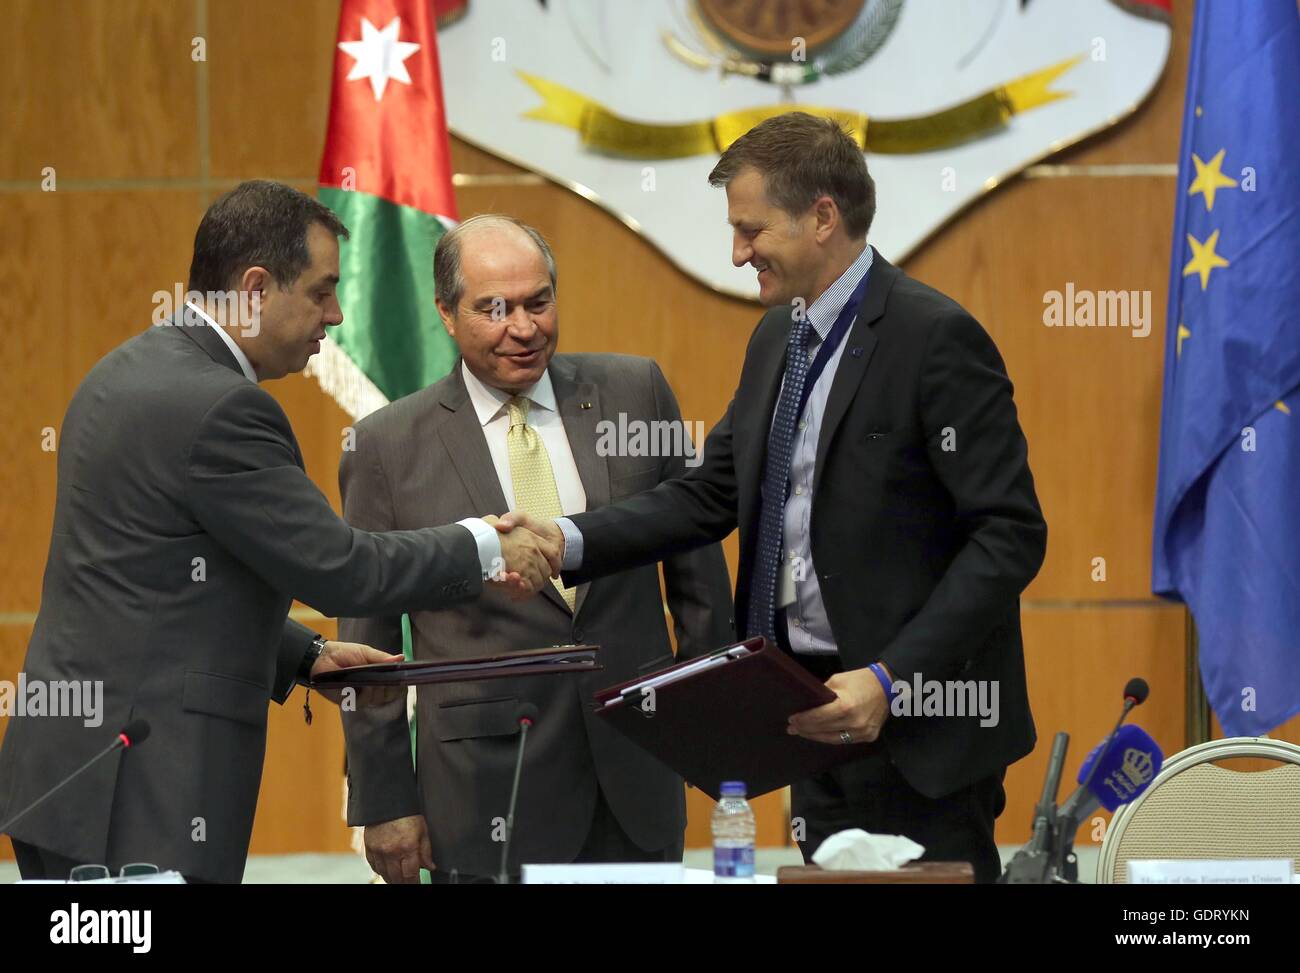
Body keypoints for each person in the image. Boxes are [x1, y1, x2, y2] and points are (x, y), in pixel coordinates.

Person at [500, 114, 1047, 883]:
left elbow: (1010, 536)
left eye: (751, 229)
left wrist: (891, 678)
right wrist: (568, 539)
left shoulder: (936, 337)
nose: (737, 253)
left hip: (921, 737)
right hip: (807, 724)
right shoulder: (777, 339)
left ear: (822, 216)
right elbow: (709, 493)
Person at [0, 181, 559, 884]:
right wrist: (485, 543)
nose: (336, 313)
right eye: (322, 290)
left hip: (70, 778)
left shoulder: (124, 372)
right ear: (257, 286)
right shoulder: (222, 407)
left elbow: (151, 579)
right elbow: (340, 566)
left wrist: (305, 654)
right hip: (145, 786)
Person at [339, 215, 735, 883]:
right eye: (494, 308)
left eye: (537, 301)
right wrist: (385, 802)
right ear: (445, 311)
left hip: (637, 772)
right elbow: (369, 646)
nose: (522, 327)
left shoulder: (636, 393)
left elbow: (697, 577)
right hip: (484, 790)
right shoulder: (386, 445)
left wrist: (703, 733)